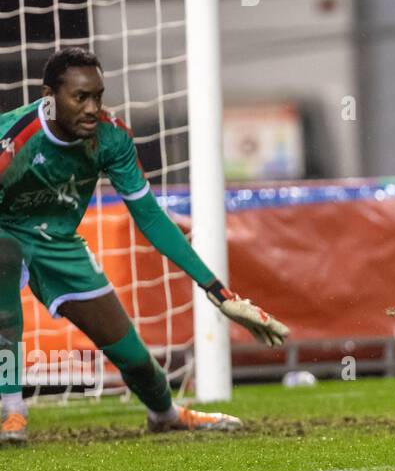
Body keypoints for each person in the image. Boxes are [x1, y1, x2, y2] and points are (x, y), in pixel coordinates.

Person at [0, 48, 289, 444]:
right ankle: (11, 408)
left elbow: (151, 219)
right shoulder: (14, 139)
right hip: (4, 231)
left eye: (97, 96)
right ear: (49, 97)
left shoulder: (112, 137)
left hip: (58, 243)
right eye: (79, 97)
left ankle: (165, 413)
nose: (92, 108)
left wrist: (218, 292)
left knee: (131, 354)